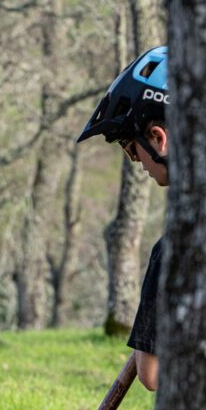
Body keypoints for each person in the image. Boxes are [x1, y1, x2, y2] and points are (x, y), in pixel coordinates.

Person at [76, 44, 169, 392]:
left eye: (132, 150)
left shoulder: (174, 251)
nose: (139, 164)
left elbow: (153, 374)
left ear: (158, 138)